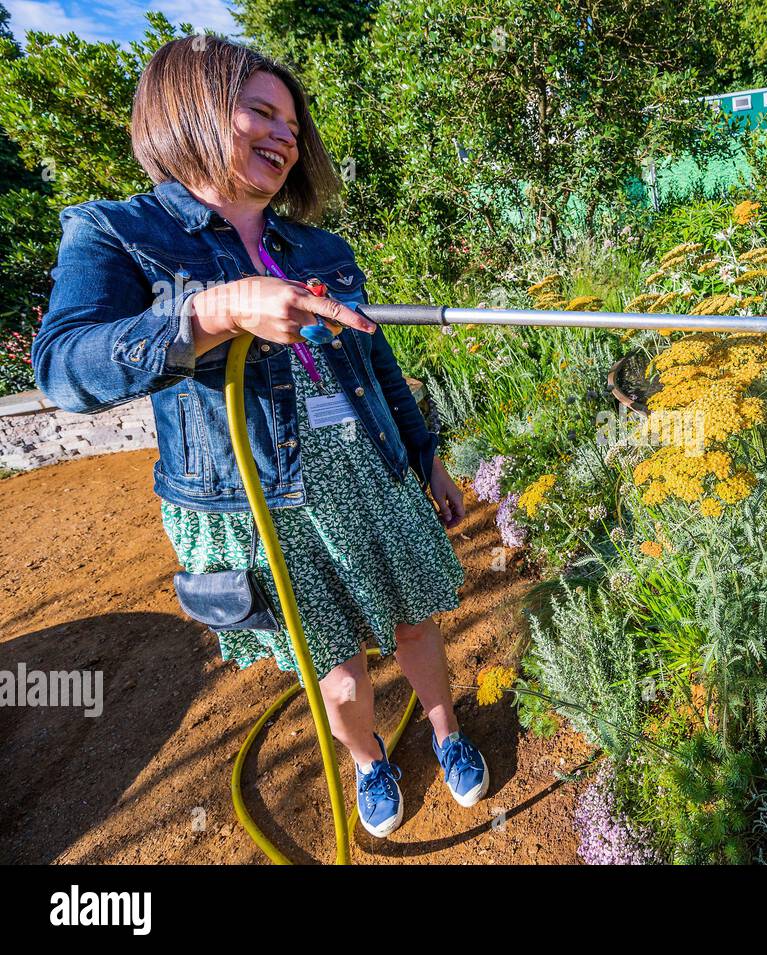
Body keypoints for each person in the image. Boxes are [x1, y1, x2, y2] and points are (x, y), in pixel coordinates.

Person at [31, 35, 487, 838]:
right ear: (191, 109)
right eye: (262, 112)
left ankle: (447, 733)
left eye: (292, 121)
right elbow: (64, 369)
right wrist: (213, 311)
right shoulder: (117, 232)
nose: (286, 133)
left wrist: (427, 455)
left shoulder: (320, 249)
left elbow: (377, 362)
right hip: (253, 507)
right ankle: (369, 762)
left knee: (416, 620)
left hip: (367, 474)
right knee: (335, 667)